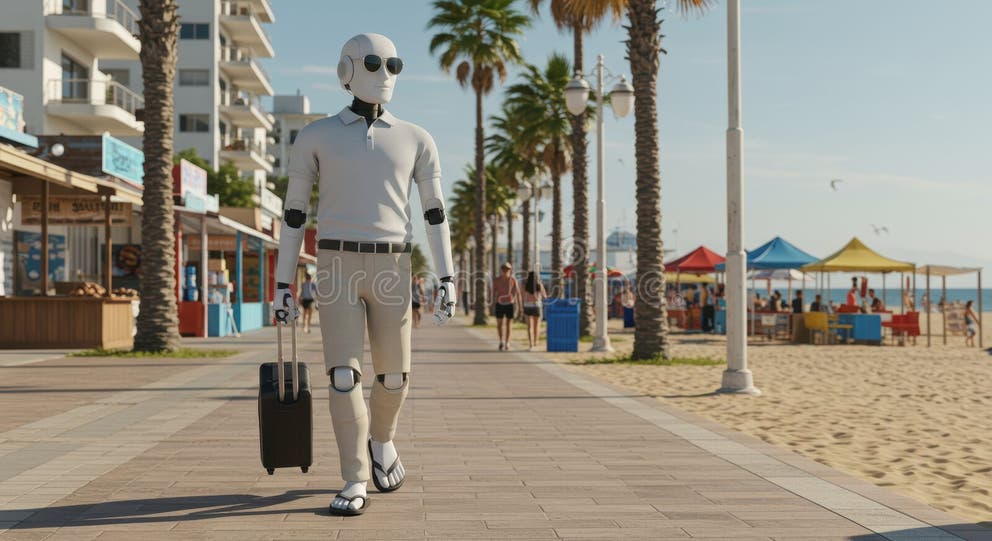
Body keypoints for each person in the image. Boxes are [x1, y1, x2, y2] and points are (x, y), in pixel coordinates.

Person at [272, 33, 456, 517]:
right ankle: (354, 477)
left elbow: (435, 213)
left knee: (394, 377)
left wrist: (448, 277)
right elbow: (293, 214)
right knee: (341, 376)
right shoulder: (315, 136)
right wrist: (283, 284)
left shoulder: (417, 138)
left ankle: (382, 440)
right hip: (333, 265)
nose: (385, 72)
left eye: (394, 63)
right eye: (374, 62)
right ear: (346, 69)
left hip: (395, 263)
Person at [491, 262, 520, 350]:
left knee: (508, 324)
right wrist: (491, 304)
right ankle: (501, 341)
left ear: (510, 270)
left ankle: (507, 342)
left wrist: (520, 306)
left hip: (509, 304)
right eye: (504, 269)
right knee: (499, 324)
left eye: (507, 269)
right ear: (501, 270)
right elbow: (492, 293)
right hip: (499, 304)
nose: (505, 271)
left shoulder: (513, 280)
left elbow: (517, 293)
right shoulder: (497, 280)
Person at [521, 271, 546, 350]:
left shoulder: (525, 286)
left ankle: (531, 344)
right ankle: (535, 342)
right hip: (537, 306)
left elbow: (522, 296)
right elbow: (545, 296)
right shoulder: (539, 285)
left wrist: (522, 306)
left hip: (527, 306)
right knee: (536, 326)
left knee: (529, 327)